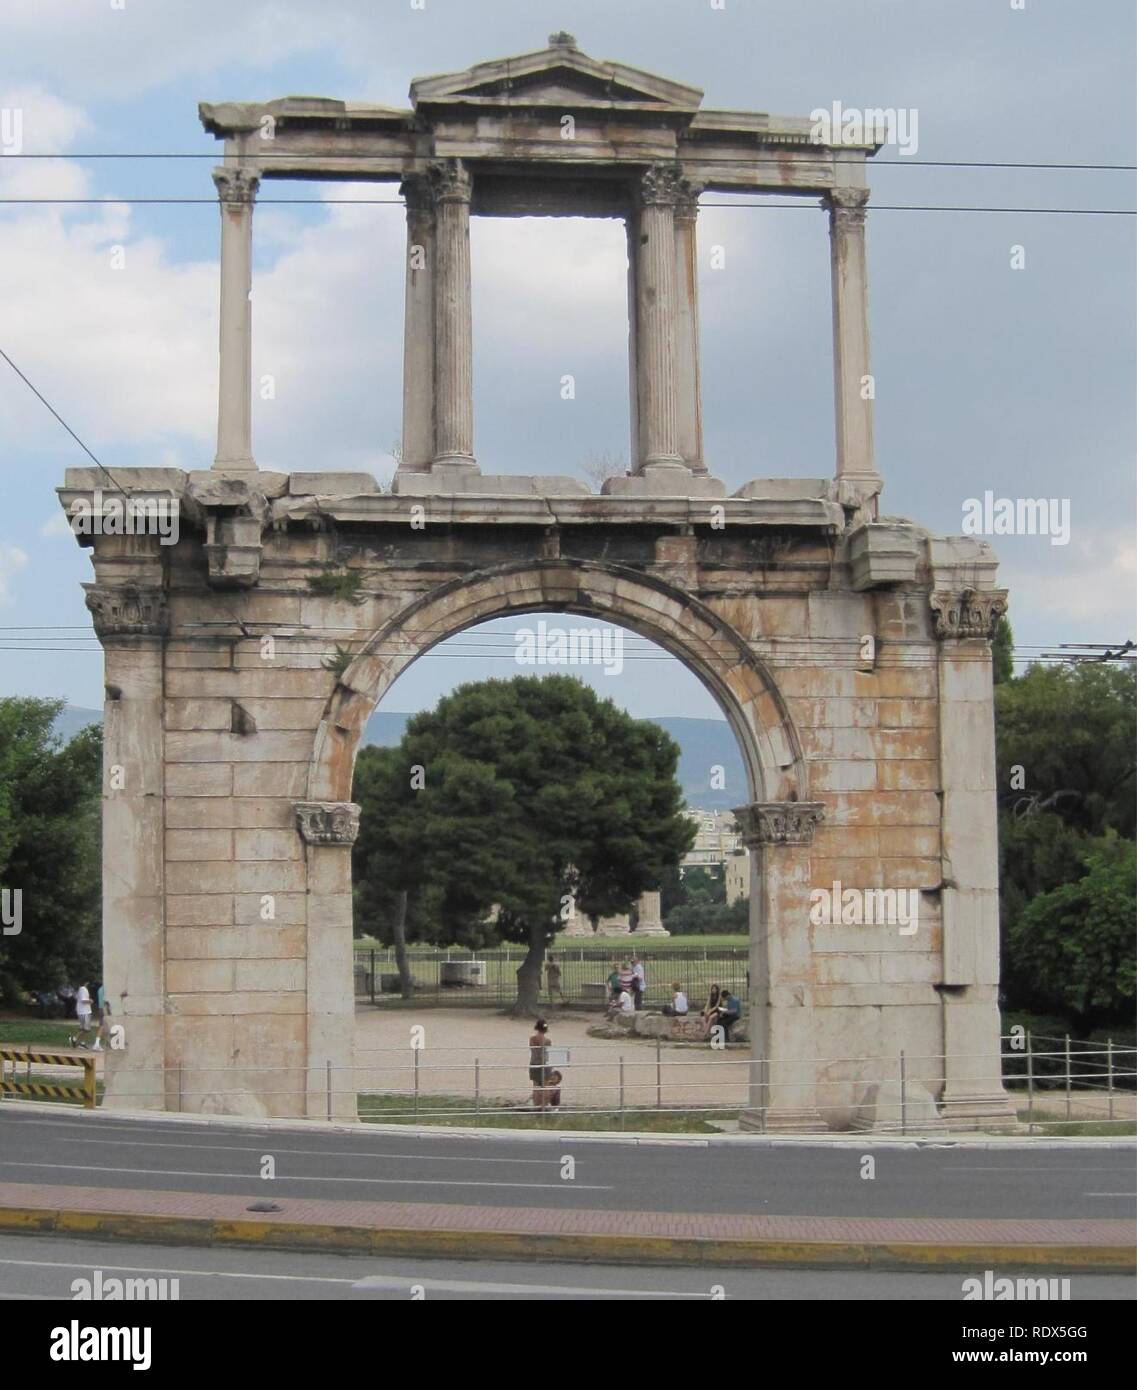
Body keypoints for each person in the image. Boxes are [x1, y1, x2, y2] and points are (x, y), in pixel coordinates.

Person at [528, 1018, 551, 1107]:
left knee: (536, 1086)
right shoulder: (547, 1041)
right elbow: (547, 1053)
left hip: (534, 1063)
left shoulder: (532, 1039)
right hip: (544, 1064)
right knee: (546, 1086)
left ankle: (536, 1105)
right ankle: (544, 1106)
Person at [69, 981, 94, 1049]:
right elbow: (83, 1000)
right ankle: (74, 1039)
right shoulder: (83, 989)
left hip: (83, 1011)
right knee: (85, 1029)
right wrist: (90, 1001)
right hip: (84, 1011)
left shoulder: (80, 989)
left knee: (84, 1028)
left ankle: (82, 1042)